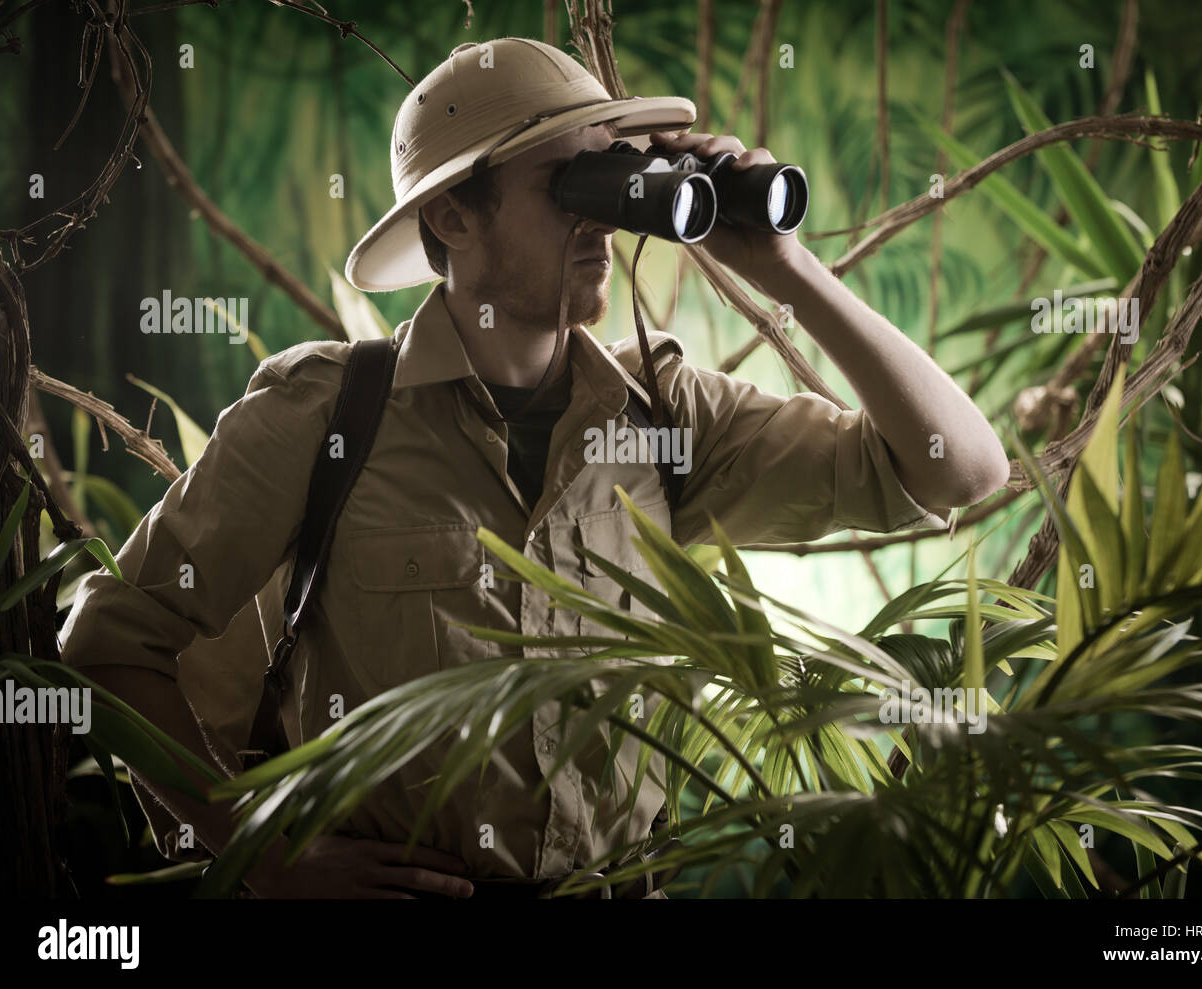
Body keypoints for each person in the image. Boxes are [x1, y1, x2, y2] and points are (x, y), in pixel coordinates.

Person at [60, 37, 1009, 898]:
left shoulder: (668, 420)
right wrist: (257, 852)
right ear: (453, 219)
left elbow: (960, 470)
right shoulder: (327, 416)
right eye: (569, 184)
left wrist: (784, 268)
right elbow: (108, 643)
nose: (599, 222)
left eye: (612, 181)